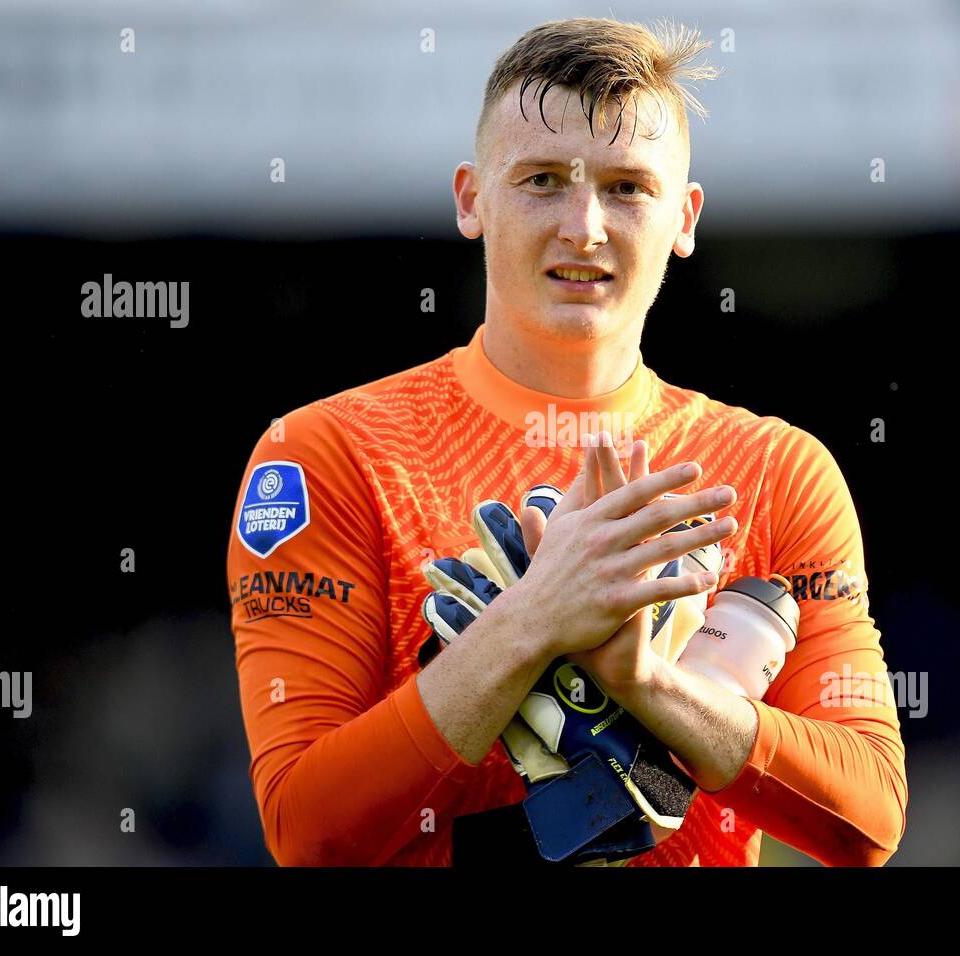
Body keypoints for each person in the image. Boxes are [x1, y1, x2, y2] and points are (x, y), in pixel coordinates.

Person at [226, 16, 906, 866]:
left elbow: (869, 819)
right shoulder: (327, 454)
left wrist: (647, 683)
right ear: (472, 199)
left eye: (628, 188)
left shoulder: (777, 473)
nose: (584, 226)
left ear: (684, 217)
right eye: (544, 180)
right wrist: (530, 626)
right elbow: (307, 833)